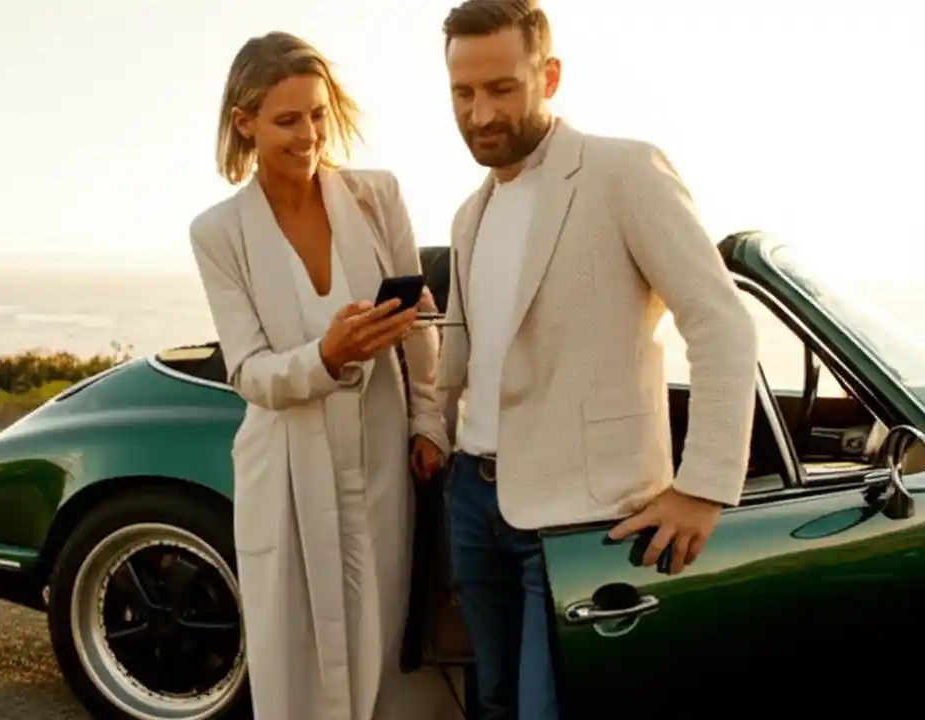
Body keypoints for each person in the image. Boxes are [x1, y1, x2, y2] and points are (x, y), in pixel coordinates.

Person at [433, 1, 760, 718]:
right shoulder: (469, 213)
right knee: (493, 702)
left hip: (583, 514)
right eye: (464, 93)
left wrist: (703, 486)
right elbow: (467, 349)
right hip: (474, 501)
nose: (481, 114)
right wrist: (435, 431)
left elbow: (720, 324)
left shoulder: (621, 171)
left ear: (547, 76)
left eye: (501, 88)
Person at [187, 30, 465, 720]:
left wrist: (428, 420)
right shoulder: (217, 232)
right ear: (243, 122)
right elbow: (249, 372)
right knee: (300, 656)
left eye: (317, 114)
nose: (308, 135)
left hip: (381, 460)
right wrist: (328, 356)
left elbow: (421, 319)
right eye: (287, 120)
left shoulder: (377, 197)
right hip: (284, 469)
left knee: (387, 636)